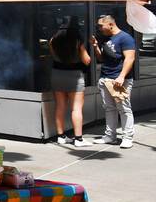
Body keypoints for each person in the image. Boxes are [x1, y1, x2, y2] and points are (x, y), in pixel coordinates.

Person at [92, 14, 136, 149]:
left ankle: (127, 137)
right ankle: (110, 136)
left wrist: (122, 76)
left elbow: (130, 58)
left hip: (119, 80)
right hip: (106, 78)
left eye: (101, 25)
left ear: (110, 24)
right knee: (109, 108)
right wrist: (95, 46)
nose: (99, 28)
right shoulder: (106, 38)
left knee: (124, 108)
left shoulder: (125, 38)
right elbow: (101, 59)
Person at [49, 17, 92, 148]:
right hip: (74, 76)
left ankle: (61, 137)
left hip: (57, 74)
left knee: (60, 106)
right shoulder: (78, 41)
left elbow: (53, 56)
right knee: (76, 108)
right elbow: (87, 60)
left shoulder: (53, 40)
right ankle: (78, 139)